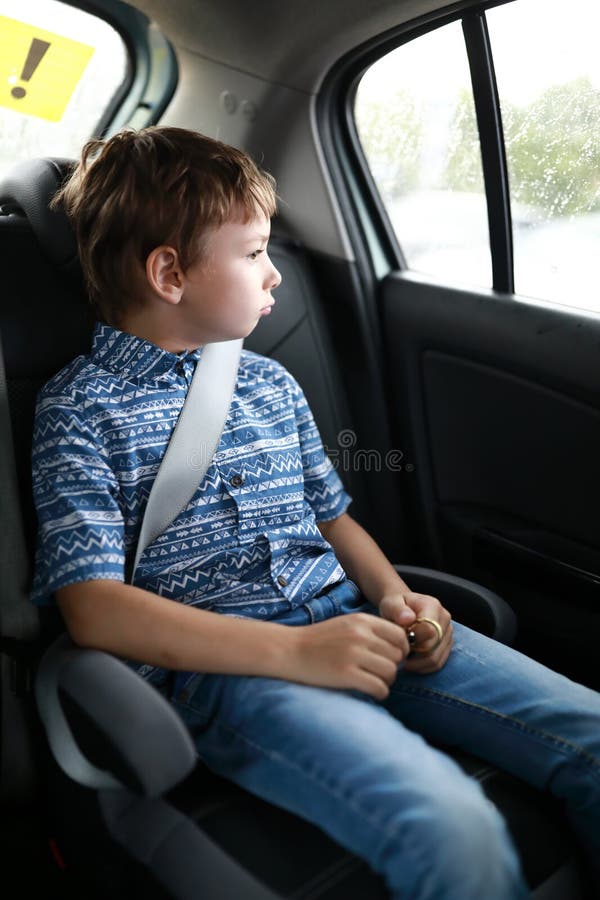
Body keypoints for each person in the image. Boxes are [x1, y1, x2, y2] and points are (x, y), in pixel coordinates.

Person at [31, 126, 600, 900]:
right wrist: (297, 652)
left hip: (354, 622)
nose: (275, 274)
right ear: (169, 273)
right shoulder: (79, 412)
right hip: (234, 672)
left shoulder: (268, 384)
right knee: (451, 828)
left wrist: (396, 595)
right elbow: (93, 608)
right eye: (254, 253)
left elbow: (334, 521)